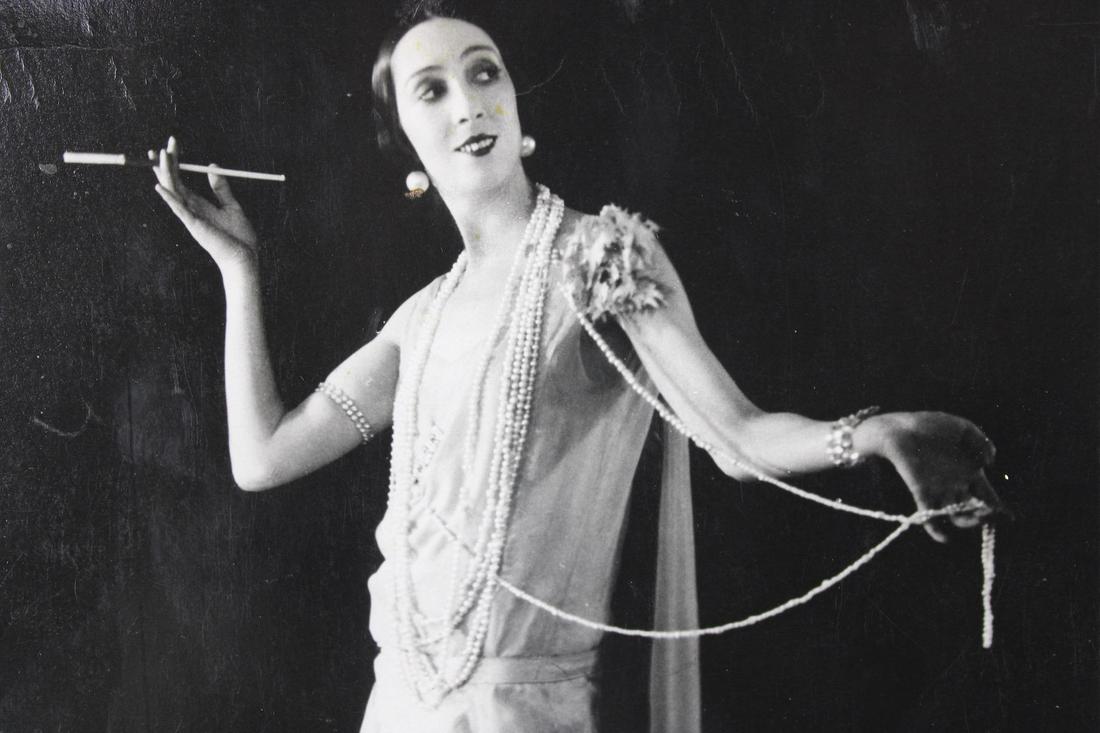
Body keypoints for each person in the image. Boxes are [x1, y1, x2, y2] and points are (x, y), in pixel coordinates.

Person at [151, 13, 1002, 733]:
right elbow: (260, 457)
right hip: (399, 705)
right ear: (404, 141)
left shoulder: (603, 255)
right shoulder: (420, 319)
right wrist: (239, 272)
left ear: (519, 106)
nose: (469, 104)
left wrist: (879, 432)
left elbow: (735, 436)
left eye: (484, 74)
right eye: (433, 90)